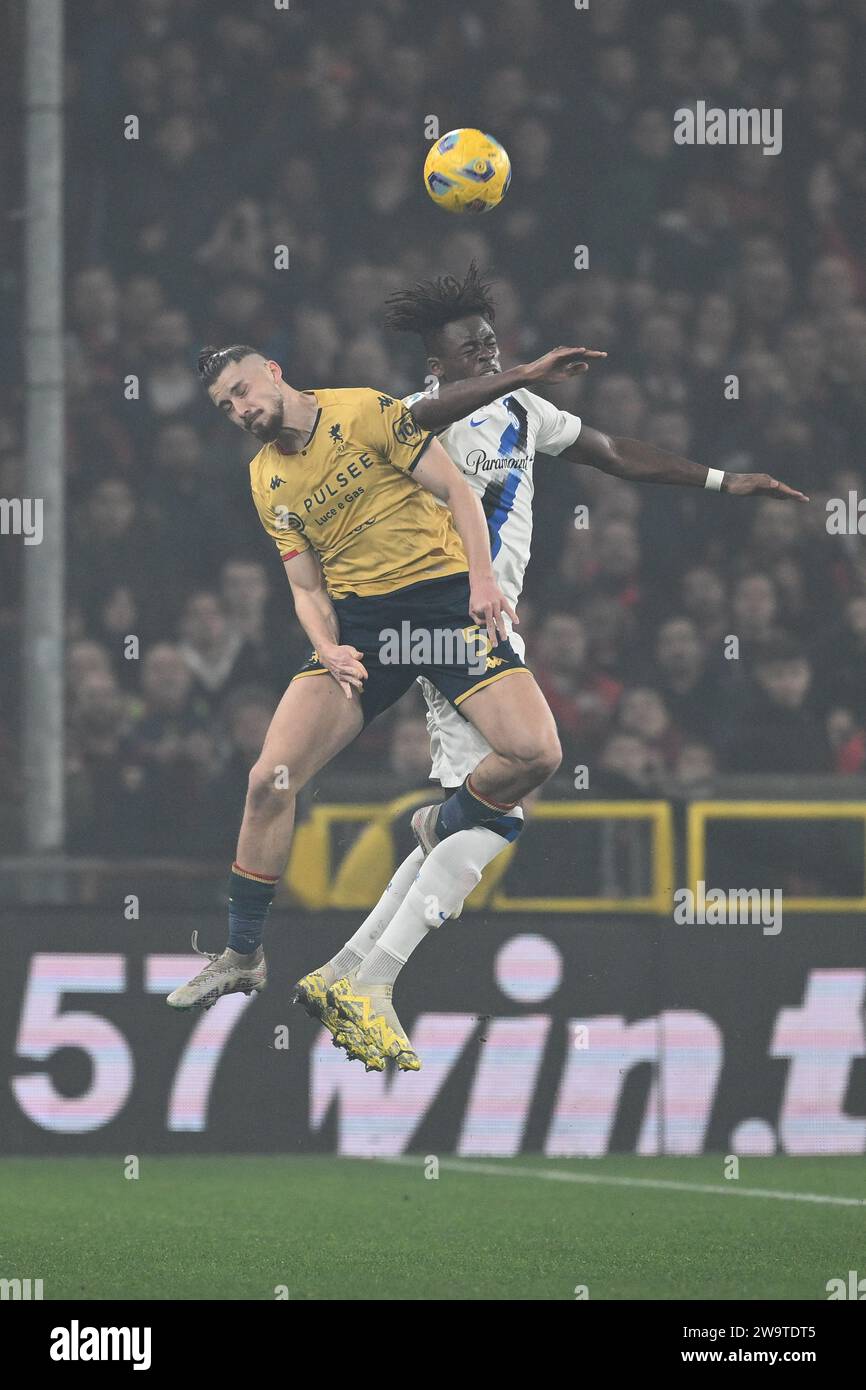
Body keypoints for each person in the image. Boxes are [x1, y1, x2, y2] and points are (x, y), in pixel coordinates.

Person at [309, 263, 808, 1072]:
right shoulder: (410, 417)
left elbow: (614, 452)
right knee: (519, 785)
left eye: (493, 341)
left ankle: (346, 971)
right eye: (471, 348)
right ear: (436, 361)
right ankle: (377, 976)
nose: (489, 354)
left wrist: (725, 480)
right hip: (442, 621)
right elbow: (437, 409)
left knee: (490, 809)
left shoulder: (522, 411)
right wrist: (523, 371)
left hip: (492, 626)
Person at [166, 341, 587, 1065]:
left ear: (274, 368)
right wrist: (326, 646)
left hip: (446, 609)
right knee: (269, 779)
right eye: (225, 406)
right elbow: (305, 589)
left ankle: (445, 820)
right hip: (365, 630)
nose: (240, 410)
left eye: (241, 390)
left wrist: (484, 582)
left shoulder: (363, 411)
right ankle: (242, 953)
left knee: (538, 754)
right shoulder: (266, 478)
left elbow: (458, 490)